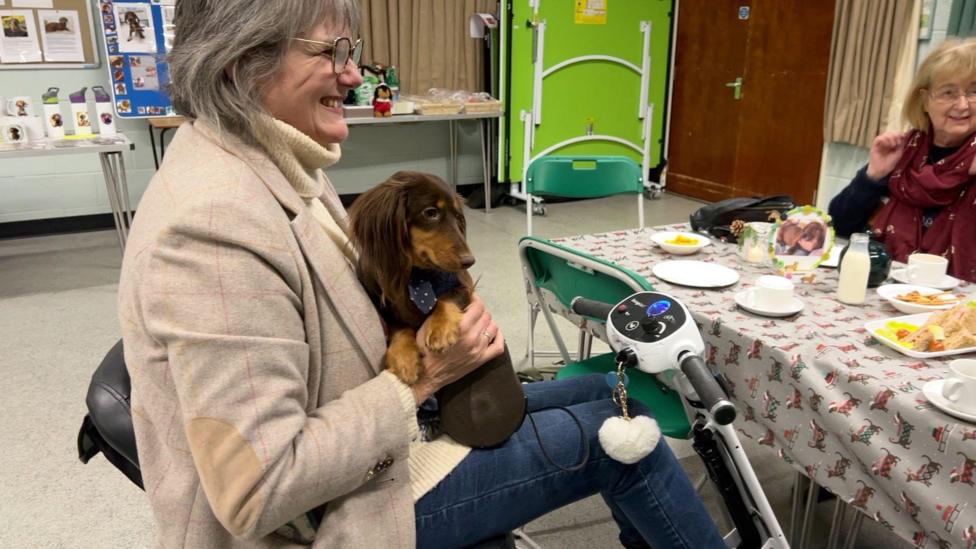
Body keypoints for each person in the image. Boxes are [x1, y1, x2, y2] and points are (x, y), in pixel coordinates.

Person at [117, 1, 723, 547]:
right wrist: (424, 379)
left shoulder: (284, 168)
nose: (353, 75)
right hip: (340, 511)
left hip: (393, 435)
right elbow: (260, 489)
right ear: (240, 64)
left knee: (609, 390)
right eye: (331, 53)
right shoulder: (214, 225)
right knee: (625, 433)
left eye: (349, 52)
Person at [829, 38, 976, 282]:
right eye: (948, 92)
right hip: (888, 287)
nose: (962, 105)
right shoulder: (905, 152)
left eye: (974, 92)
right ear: (924, 100)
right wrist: (872, 176)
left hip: (961, 301)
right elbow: (839, 225)